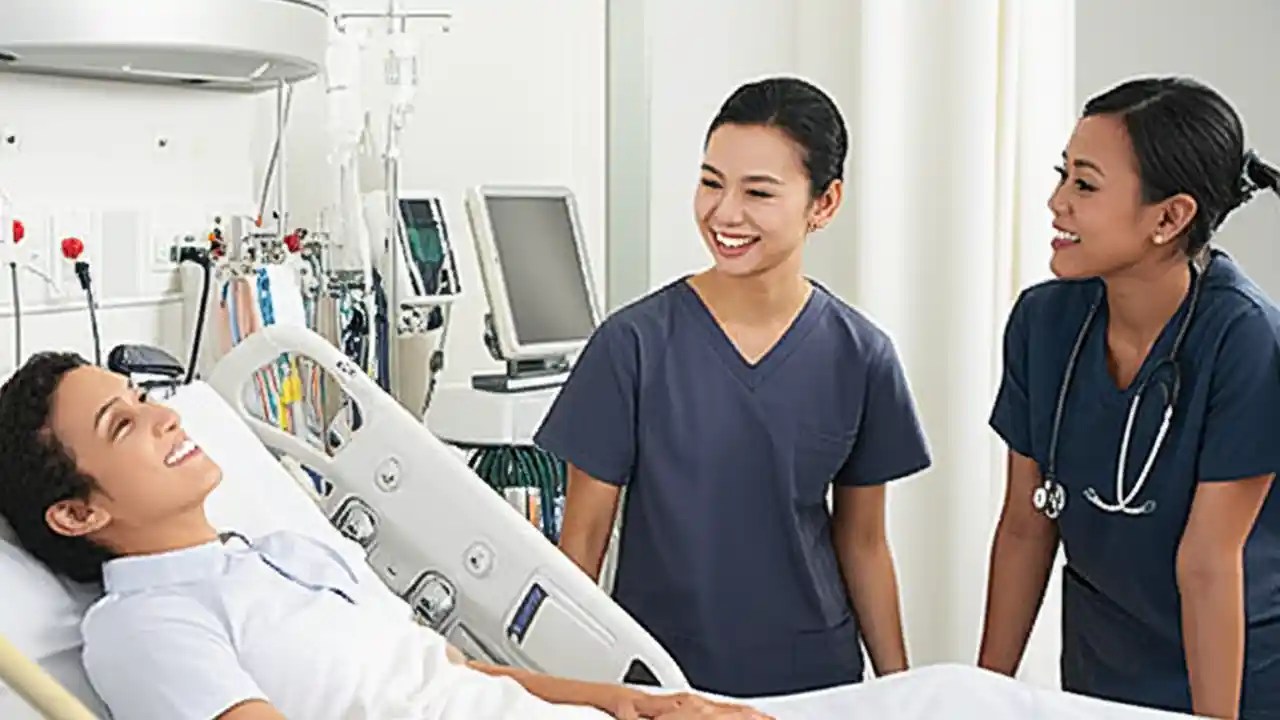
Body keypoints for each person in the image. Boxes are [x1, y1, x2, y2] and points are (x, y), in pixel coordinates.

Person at [0, 352, 774, 720]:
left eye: (144, 396)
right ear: (77, 514)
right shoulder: (144, 625)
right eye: (122, 424)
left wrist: (636, 703)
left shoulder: (264, 552)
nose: (165, 415)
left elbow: (448, 670)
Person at [534, 76, 932, 698]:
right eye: (711, 182)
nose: (724, 213)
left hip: (814, 685)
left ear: (824, 203)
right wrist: (565, 693)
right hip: (662, 686)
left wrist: (899, 696)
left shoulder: (862, 357)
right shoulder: (632, 345)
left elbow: (863, 541)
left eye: (759, 192)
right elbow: (581, 542)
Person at [979, 76, 1280, 719]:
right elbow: (1027, 526)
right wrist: (983, 695)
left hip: (1234, 683)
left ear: (1170, 217)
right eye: (1063, 175)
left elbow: (1208, 562)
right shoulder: (1043, 323)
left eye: (1084, 185)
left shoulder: (1244, 339)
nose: (1056, 203)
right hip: (1101, 681)